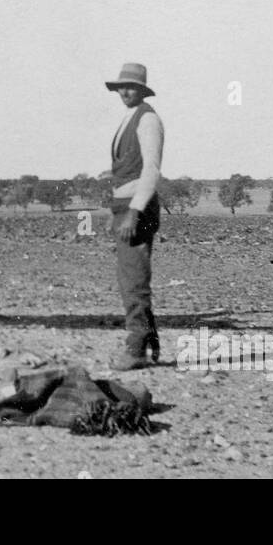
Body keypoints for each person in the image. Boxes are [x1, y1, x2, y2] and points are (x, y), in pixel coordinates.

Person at [103, 62, 165, 370]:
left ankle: (136, 349)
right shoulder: (131, 117)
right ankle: (146, 338)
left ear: (142, 91)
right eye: (121, 87)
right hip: (125, 204)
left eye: (132, 88)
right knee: (130, 276)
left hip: (136, 207)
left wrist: (133, 212)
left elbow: (151, 170)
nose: (125, 92)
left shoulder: (148, 119)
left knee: (133, 279)